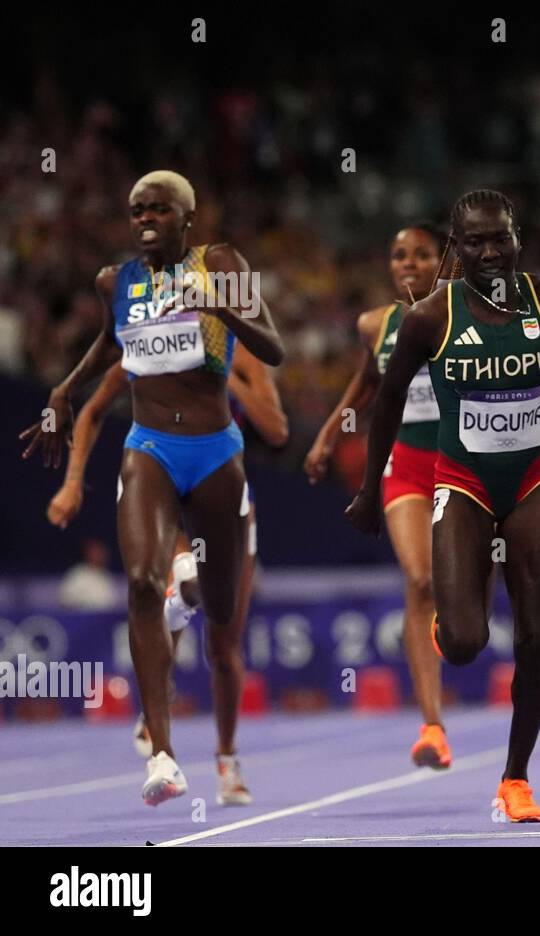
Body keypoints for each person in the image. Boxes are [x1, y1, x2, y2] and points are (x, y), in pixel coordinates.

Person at [347, 189, 540, 821]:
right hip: (461, 483)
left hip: (531, 484)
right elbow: (386, 403)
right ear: (456, 249)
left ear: (518, 237)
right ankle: (452, 625)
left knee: (533, 636)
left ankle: (516, 777)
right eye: (474, 242)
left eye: (500, 239)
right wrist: (367, 488)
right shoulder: (430, 318)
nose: (490, 252)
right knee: (464, 643)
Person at [22, 170, 284, 806]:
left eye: (160, 209)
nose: (145, 219)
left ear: (186, 218)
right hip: (149, 450)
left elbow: (273, 348)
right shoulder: (117, 280)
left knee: (221, 613)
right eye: (137, 209)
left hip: (217, 452)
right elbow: (109, 342)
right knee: (140, 582)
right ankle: (164, 755)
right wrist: (65, 389)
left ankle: (190, 598)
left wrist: (225, 309)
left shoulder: (221, 264)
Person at [45, 342, 288, 805]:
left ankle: (228, 760)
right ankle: (160, 721)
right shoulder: (153, 344)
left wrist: (226, 374)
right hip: (166, 482)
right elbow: (94, 408)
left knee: (224, 643)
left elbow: (276, 430)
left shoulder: (242, 354)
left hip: (226, 489)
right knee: (164, 576)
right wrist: (73, 481)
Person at [306, 223, 452, 769]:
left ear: (443, 262)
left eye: (420, 255)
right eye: (398, 256)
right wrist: (328, 434)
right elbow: (367, 383)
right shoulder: (377, 324)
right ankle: (433, 725)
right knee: (419, 580)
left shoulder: (464, 314)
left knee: (459, 585)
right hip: (405, 465)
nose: (408, 264)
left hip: (460, 465)